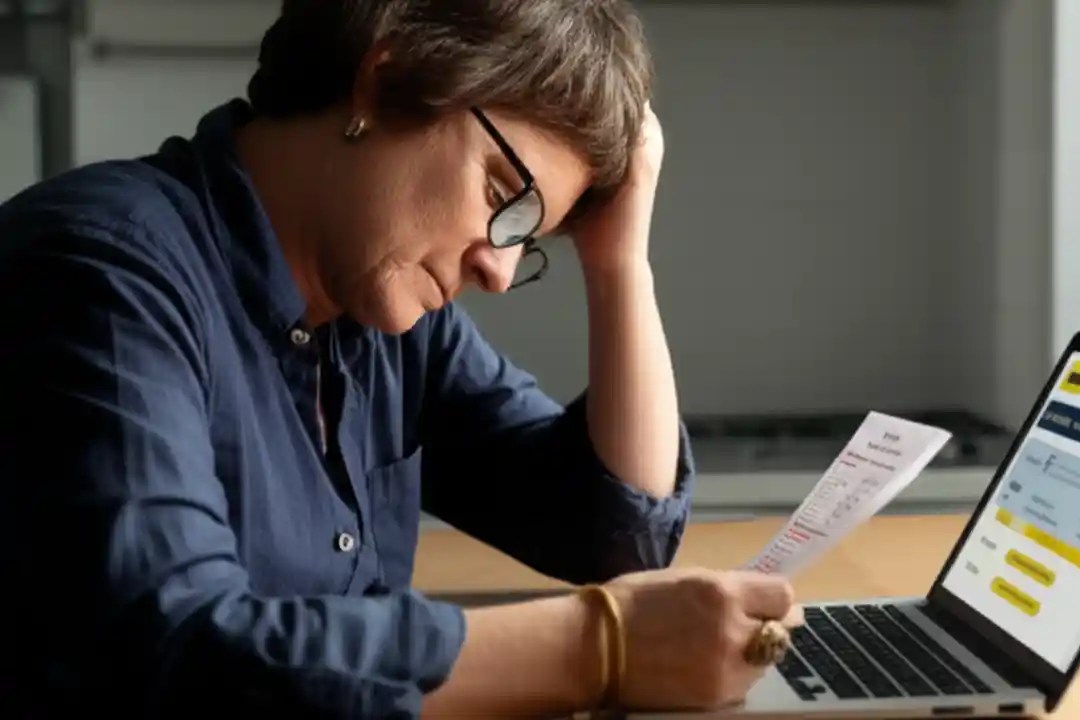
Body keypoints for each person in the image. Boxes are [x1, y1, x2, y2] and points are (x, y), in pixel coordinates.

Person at [0, 1, 802, 718]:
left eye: (528, 239)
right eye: (504, 197)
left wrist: (619, 265)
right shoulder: (99, 273)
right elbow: (180, 650)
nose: (498, 271)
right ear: (384, 84)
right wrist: (603, 648)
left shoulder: (382, 318)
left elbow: (614, 536)